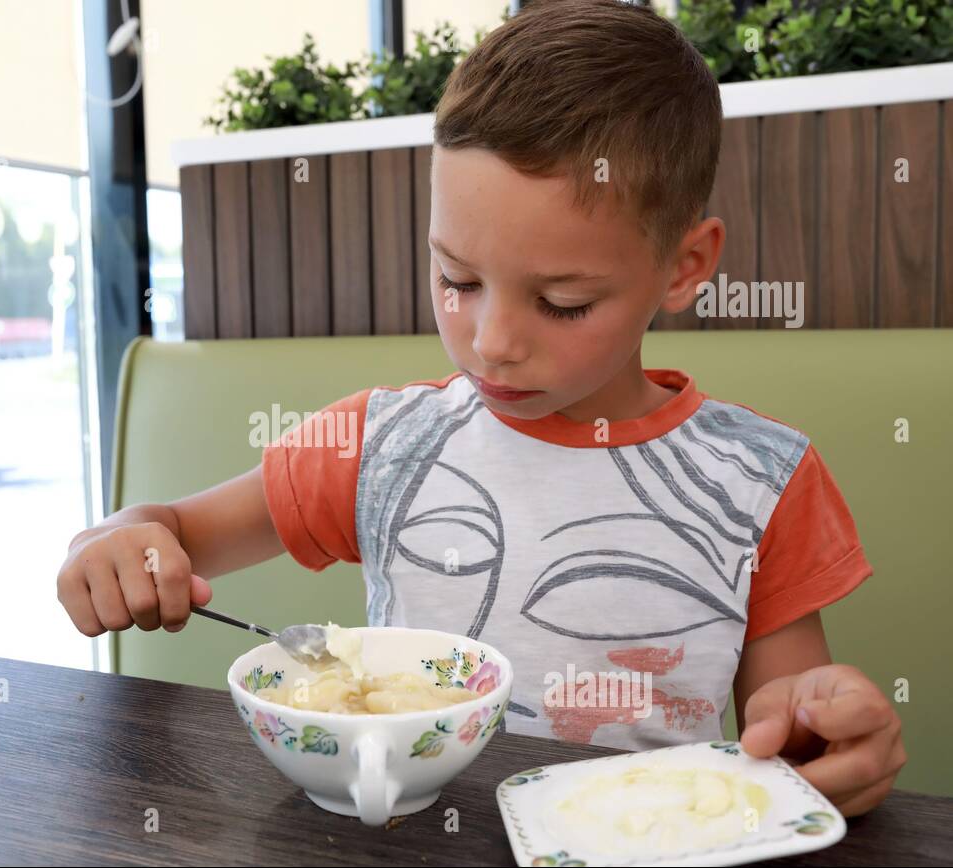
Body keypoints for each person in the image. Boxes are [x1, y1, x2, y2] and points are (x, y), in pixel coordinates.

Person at [56, 0, 903, 817]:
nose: (492, 342)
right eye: (457, 281)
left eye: (563, 301)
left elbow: (783, 732)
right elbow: (167, 527)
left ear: (685, 266)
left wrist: (825, 742)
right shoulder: (382, 444)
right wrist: (117, 545)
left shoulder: (761, 478)